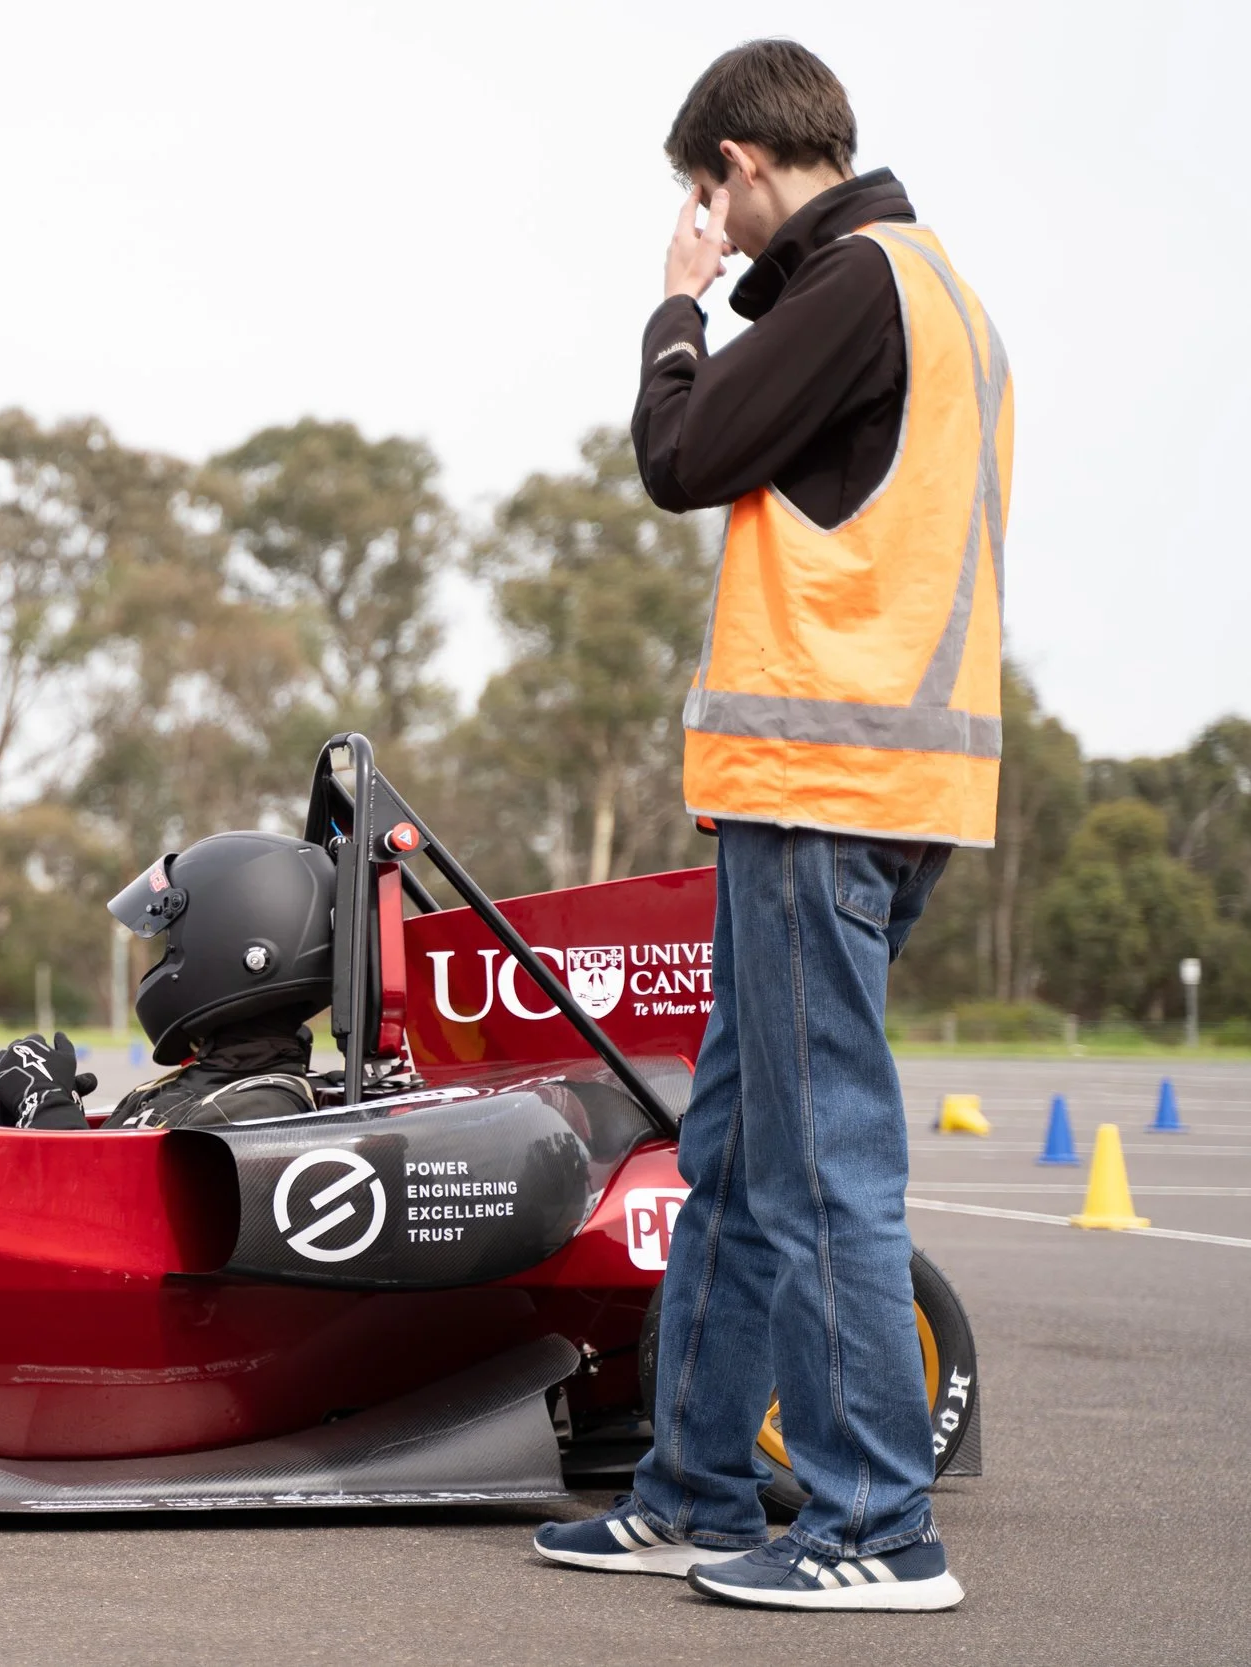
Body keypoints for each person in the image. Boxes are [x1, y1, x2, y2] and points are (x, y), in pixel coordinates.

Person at [532, 41, 1007, 1612]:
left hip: (825, 789)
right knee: (735, 1156)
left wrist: (677, 303)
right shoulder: (935, 294)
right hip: (867, 785)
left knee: (819, 1169)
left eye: (711, 202)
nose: (715, 233)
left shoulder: (861, 285)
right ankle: (695, 1487)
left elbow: (681, 453)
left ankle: (879, 1527)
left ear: (739, 161)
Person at [0, 830, 334, 1130]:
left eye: (170, 944)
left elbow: (106, 1201)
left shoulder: (264, 1111)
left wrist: (48, 1107)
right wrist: (25, 1110)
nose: (164, 958)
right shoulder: (213, 1081)